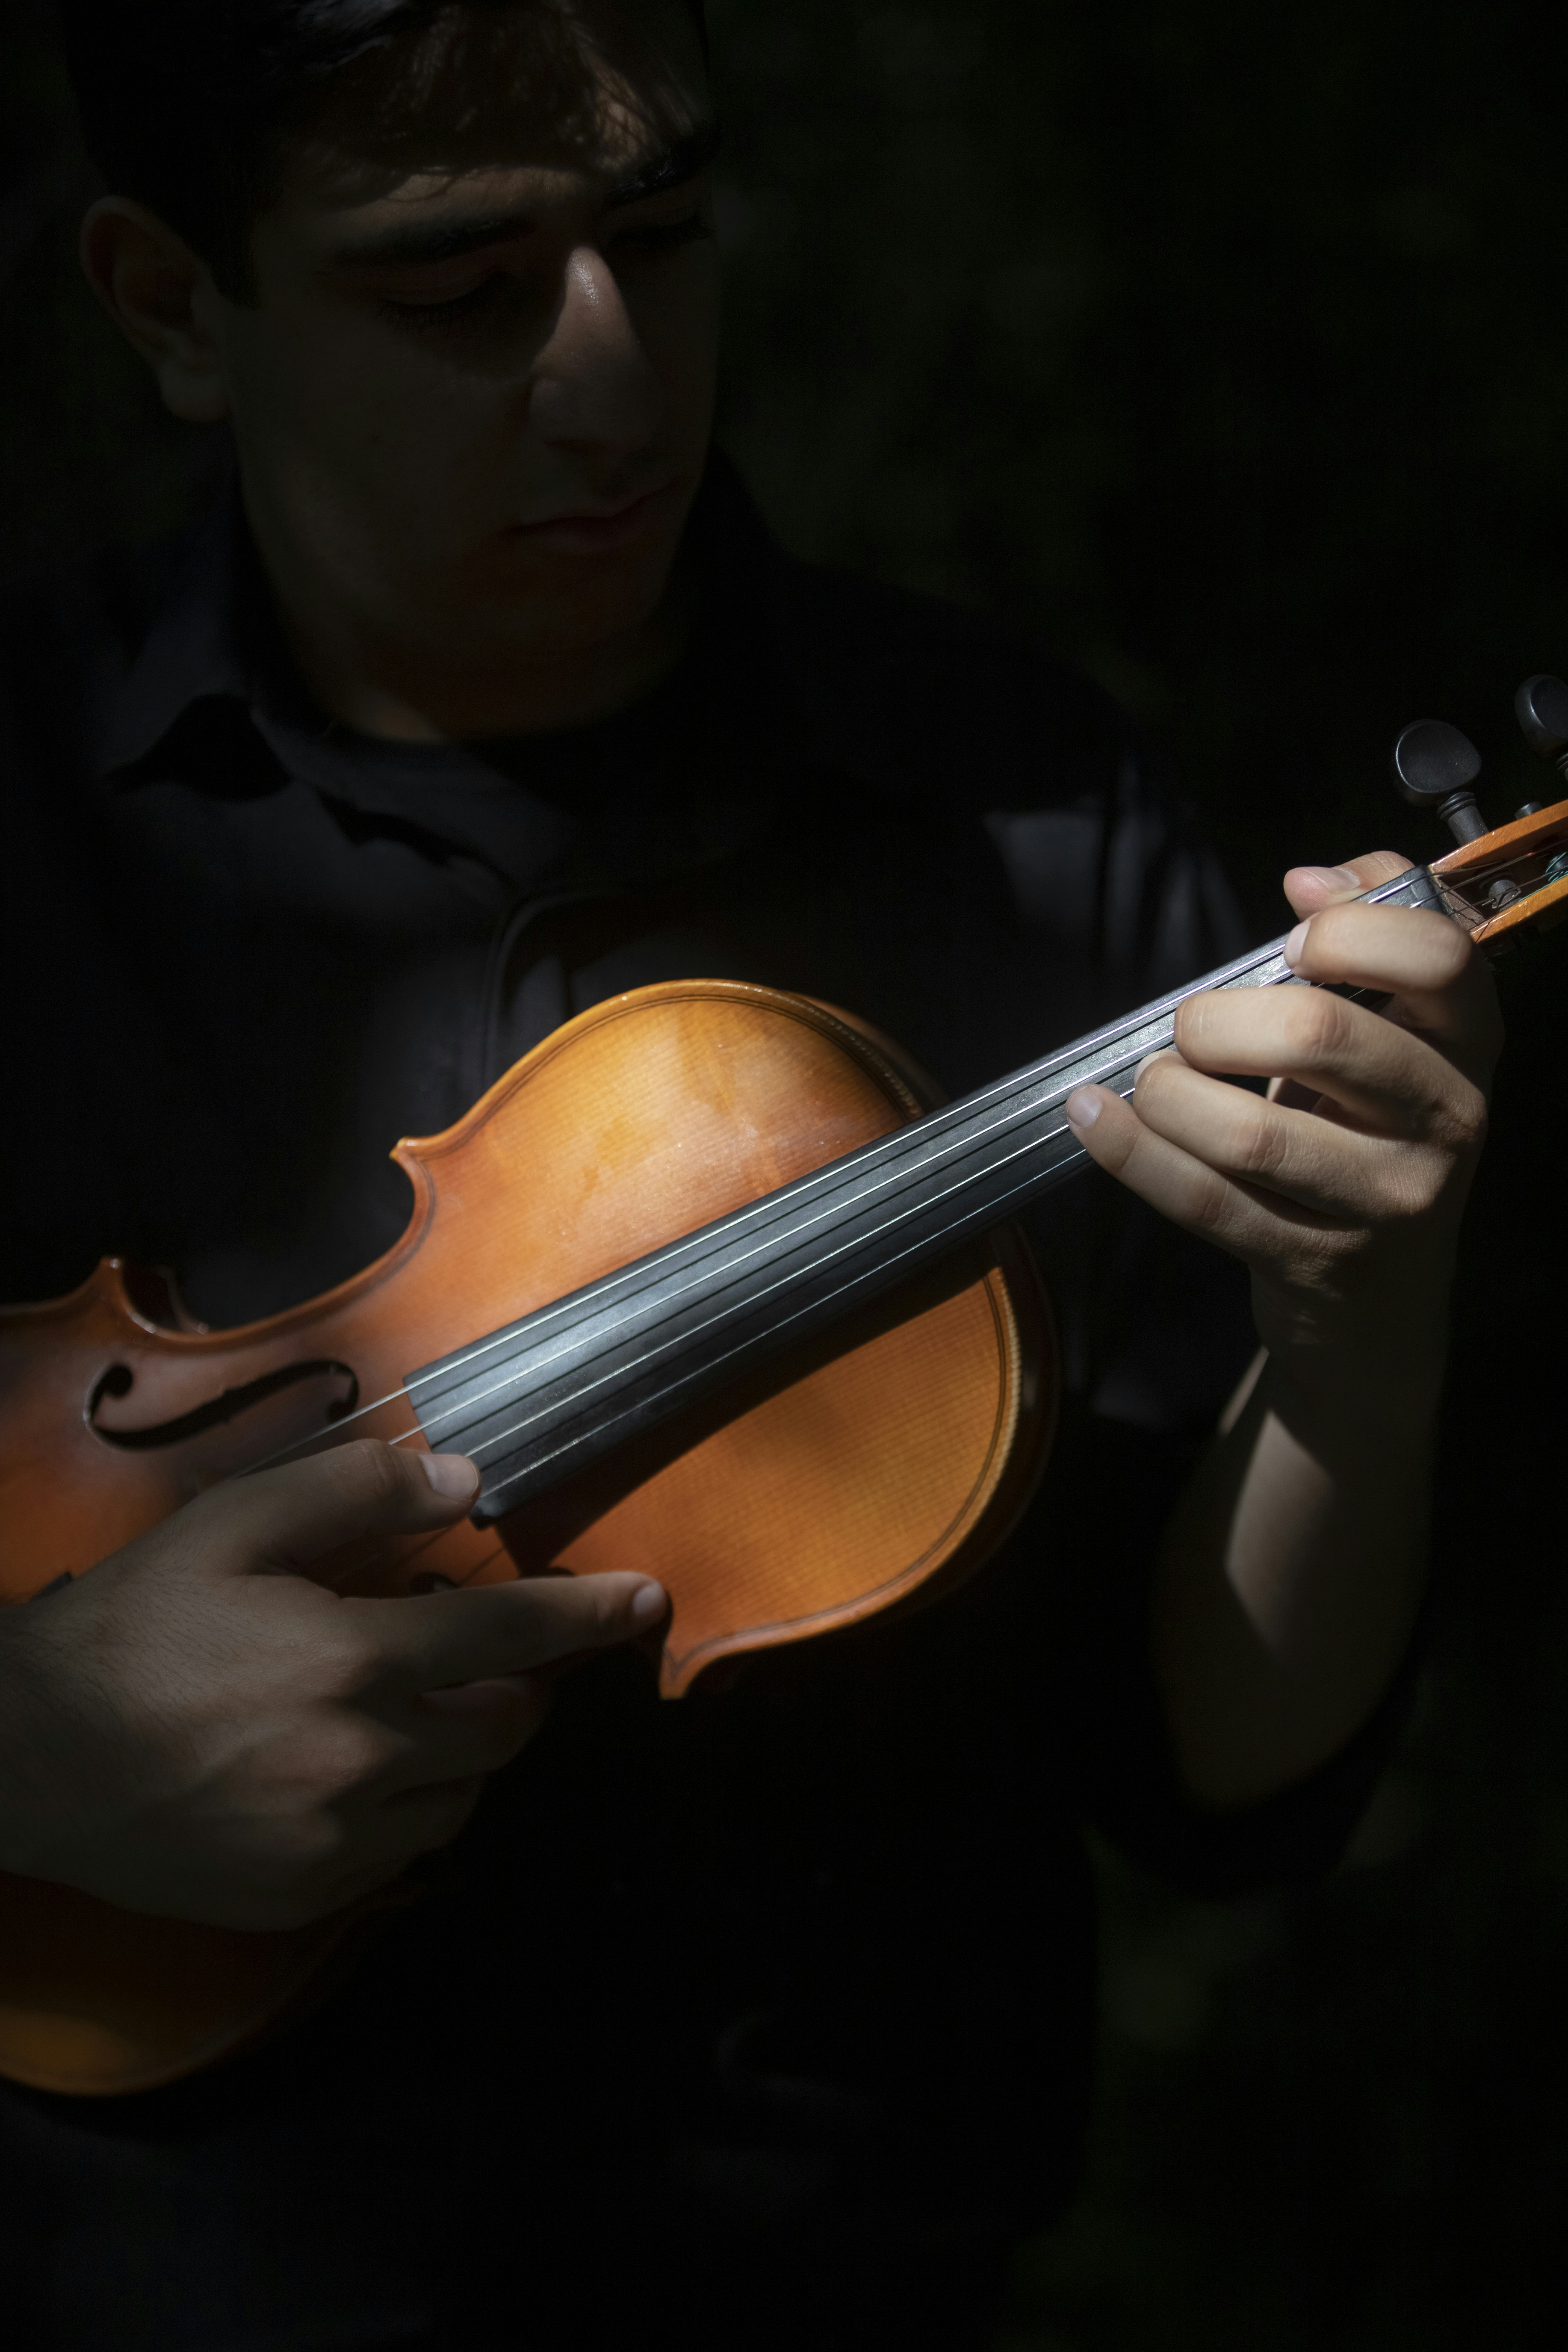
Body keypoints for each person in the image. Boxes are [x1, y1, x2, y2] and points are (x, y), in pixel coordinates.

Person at [0, 2, 1498, 2345]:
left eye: (664, 239)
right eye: (456, 287)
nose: (612, 381)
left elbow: (1207, 1768)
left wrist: (1355, 1332)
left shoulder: (1010, 802)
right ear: (176, 305)